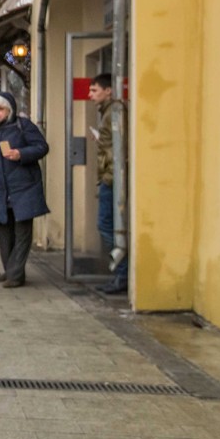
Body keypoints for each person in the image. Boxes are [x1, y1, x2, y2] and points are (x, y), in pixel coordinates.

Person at [0, 92, 49, 288]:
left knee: (22, 233)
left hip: (24, 187)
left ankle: (15, 275)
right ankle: (11, 270)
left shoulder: (23, 126)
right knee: (4, 233)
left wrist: (21, 153)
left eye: (0, 109)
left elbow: (42, 147)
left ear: (9, 110)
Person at [89, 74, 127, 295]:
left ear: (108, 90)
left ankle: (123, 271)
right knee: (109, 225)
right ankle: (121, 272)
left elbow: (118, 148)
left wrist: (108, 178)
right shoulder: (109, 112)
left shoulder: (115, 112)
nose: (90, 94)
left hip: (112, 178)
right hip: (111, 176)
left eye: (94, 90)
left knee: (106, 224)